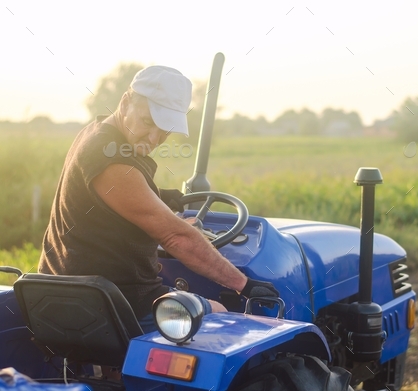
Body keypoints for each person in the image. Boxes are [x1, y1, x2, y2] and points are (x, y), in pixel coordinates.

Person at [38, 65, 279, 332]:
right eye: (148, 122)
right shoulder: (114, 163)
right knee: (222, 314)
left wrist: (162, 198)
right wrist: (244, 284)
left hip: (71, 291)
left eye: (165, 130)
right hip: (112, 305)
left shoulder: (96, 135)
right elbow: (177, 239)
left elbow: (109, 204)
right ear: (126, 102)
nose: (154, 138)